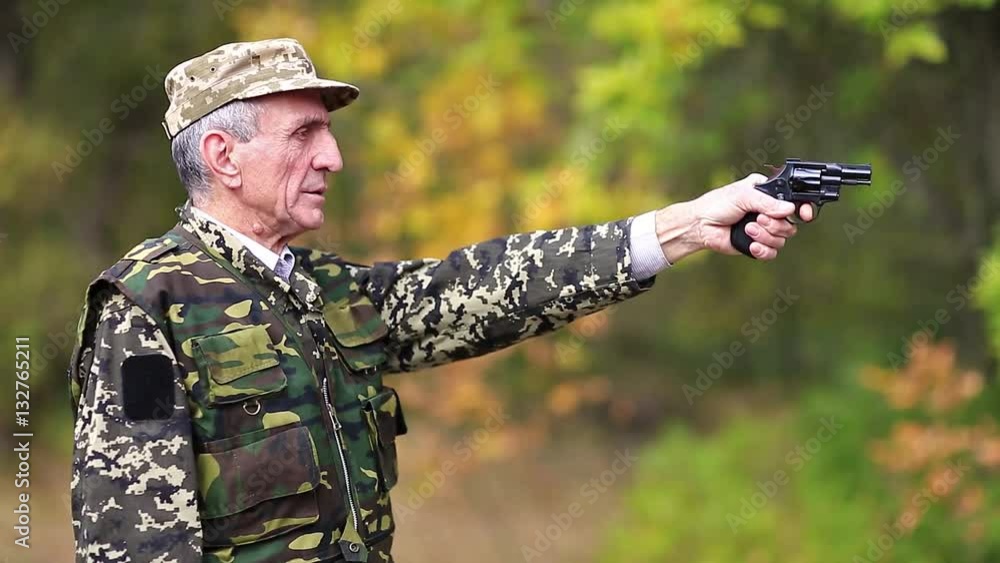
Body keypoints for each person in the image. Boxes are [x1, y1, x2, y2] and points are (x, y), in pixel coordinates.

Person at [67, 37, 812, 563]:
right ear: (223, 156)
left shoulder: (324, 289)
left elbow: (485, 287)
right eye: (305, 133)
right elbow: (134, 546)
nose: (333, 156)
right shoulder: (146, 306)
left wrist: (686, 225)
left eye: (326, 132)